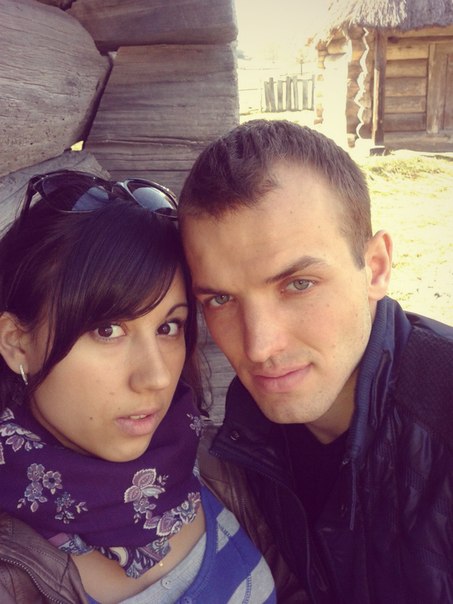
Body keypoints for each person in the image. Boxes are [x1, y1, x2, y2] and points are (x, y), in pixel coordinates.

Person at [178, 120, 453, 604]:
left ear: (376, 268)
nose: (260, 347)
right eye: (221, 299)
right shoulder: (242, 443)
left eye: (298, 284)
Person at [0, 170, 276, 604]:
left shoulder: (213, 463)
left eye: (168, 326)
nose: (157, 377)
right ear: (18, 343)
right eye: (107, 330)